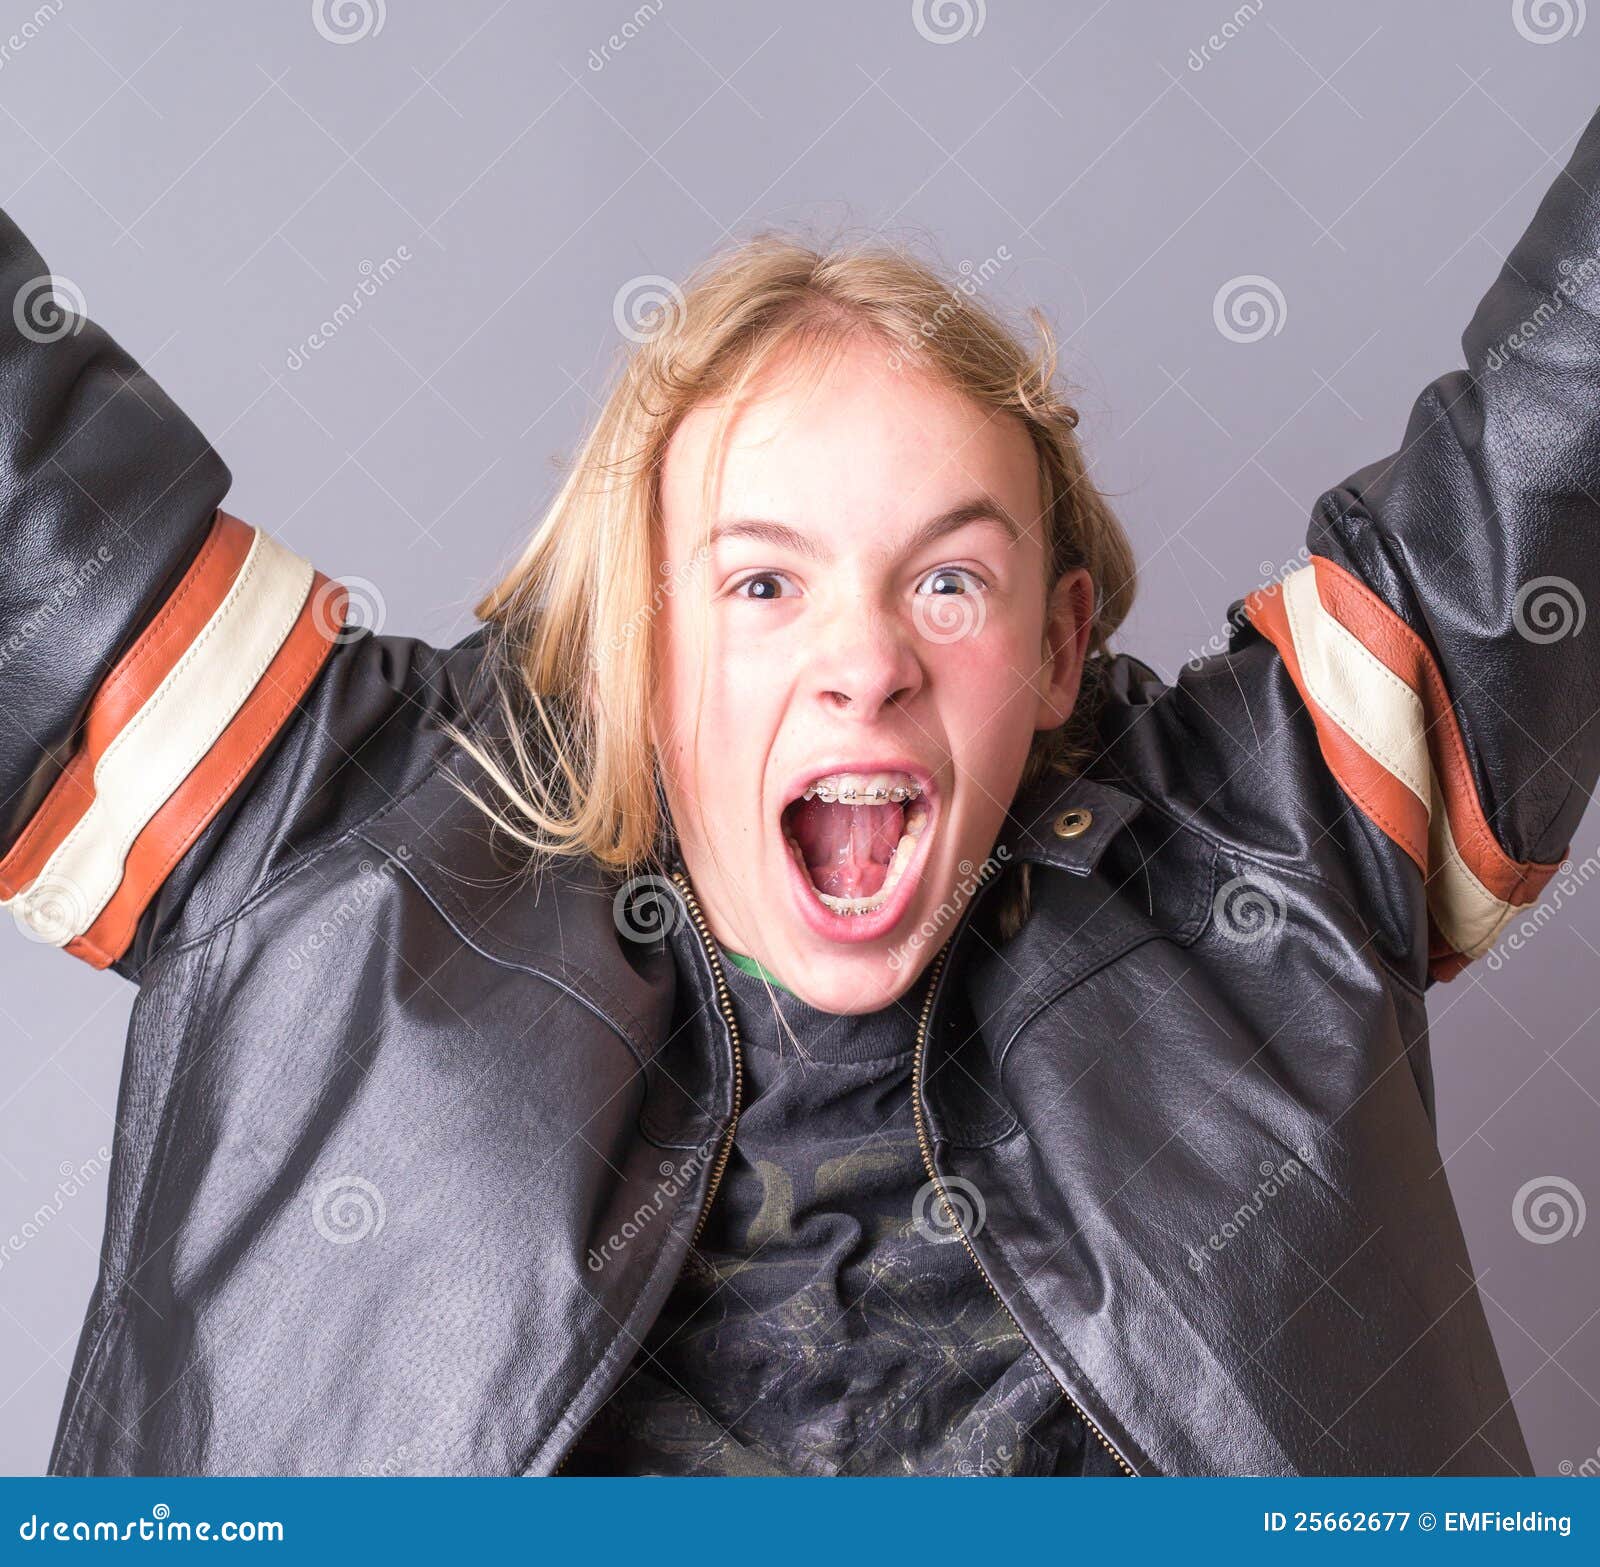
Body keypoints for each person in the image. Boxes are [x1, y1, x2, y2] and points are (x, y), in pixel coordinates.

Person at [5, 96, 1599, 1477]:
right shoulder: (324, 837)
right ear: (646, 632)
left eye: (950, 583)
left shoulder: (1282, 846)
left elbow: (1565, 427)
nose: (867, 664)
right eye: (763, 584)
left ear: (1057, 648)